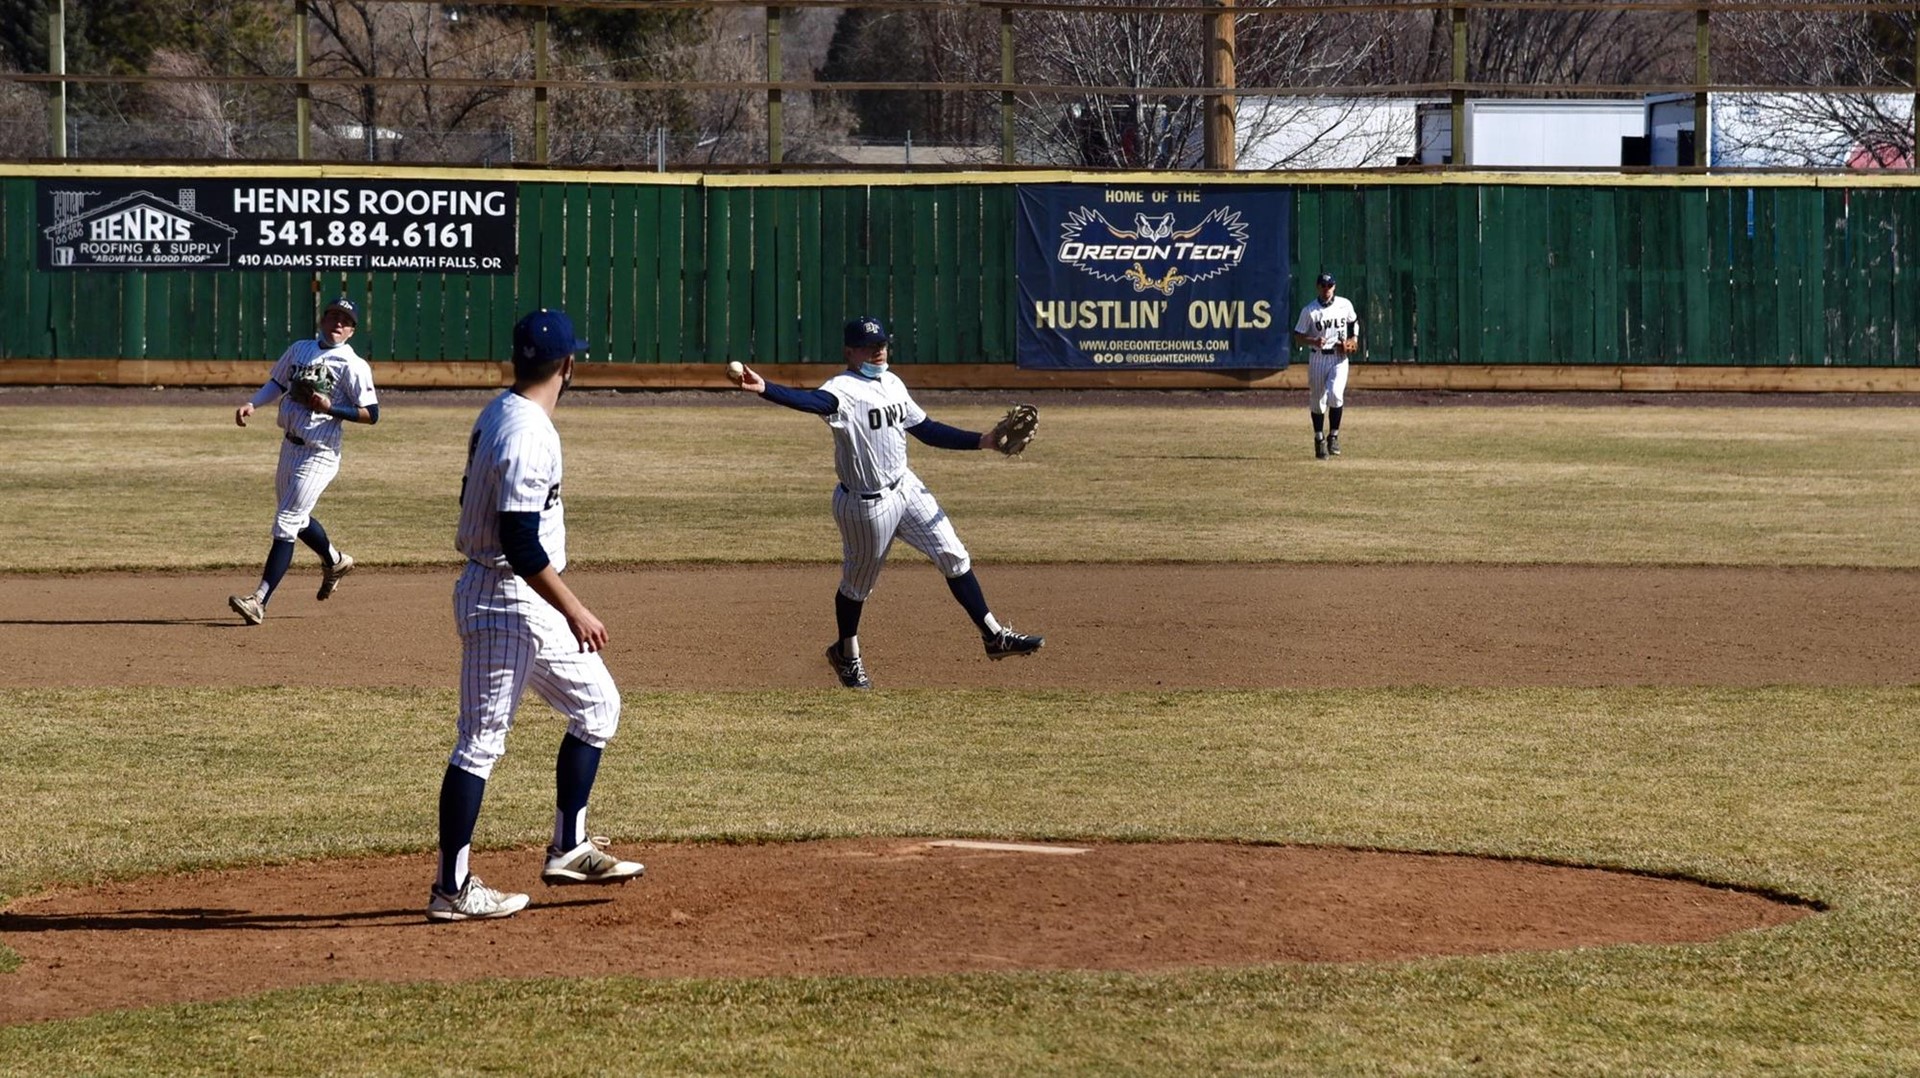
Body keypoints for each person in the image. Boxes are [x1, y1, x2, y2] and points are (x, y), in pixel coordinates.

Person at [429, 307, 644, 922]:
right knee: (479, 744)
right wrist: (574, 608)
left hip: (519, 598)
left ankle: (569, 847)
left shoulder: (506, 409)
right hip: (505, 597)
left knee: (598, 705)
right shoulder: (528, 432)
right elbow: (521, 544)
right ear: (568, 365)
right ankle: (451, 889)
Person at [731, 315, 1044, 690]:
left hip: (907, 488)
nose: (878, 350)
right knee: (857, 587)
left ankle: (994, 637)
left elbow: (926, 430)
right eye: (868, 346)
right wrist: (766, 388)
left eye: (881, 343)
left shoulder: (892, 383)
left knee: (954, 555)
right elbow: (810, 400)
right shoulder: (841, 390)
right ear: (850, 351)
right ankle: (847, 654)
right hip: (865, 506)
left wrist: (985, 441)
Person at [228, 296, 379, 624]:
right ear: (322, 321)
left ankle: (259, 600)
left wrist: (331, 409)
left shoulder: (353, 365)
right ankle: (335, 560)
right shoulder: (299, 349)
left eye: (345, 321)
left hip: (320, 452)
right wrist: (252, 404)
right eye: (333, 317)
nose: (338, 324)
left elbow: (372, 414)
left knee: (286, 522)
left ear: (352, 331)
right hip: (290, 447)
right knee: (296, 517)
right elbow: (277, 382)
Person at [1292, 271, 1359, 460]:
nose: (1326, 289)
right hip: (1318, 358)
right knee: (1318, 401)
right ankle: (1319, 438)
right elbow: (1297, 335)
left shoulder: (1344, 304)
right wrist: (1313, 341)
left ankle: (1334, 436)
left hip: (1339, 357)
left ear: (1334, 287)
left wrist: (1354, 339)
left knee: (1336, 395)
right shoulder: (1310, 310)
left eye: (1329, 286)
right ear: (1318, 287)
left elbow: (1353, 321)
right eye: (1323, 285)